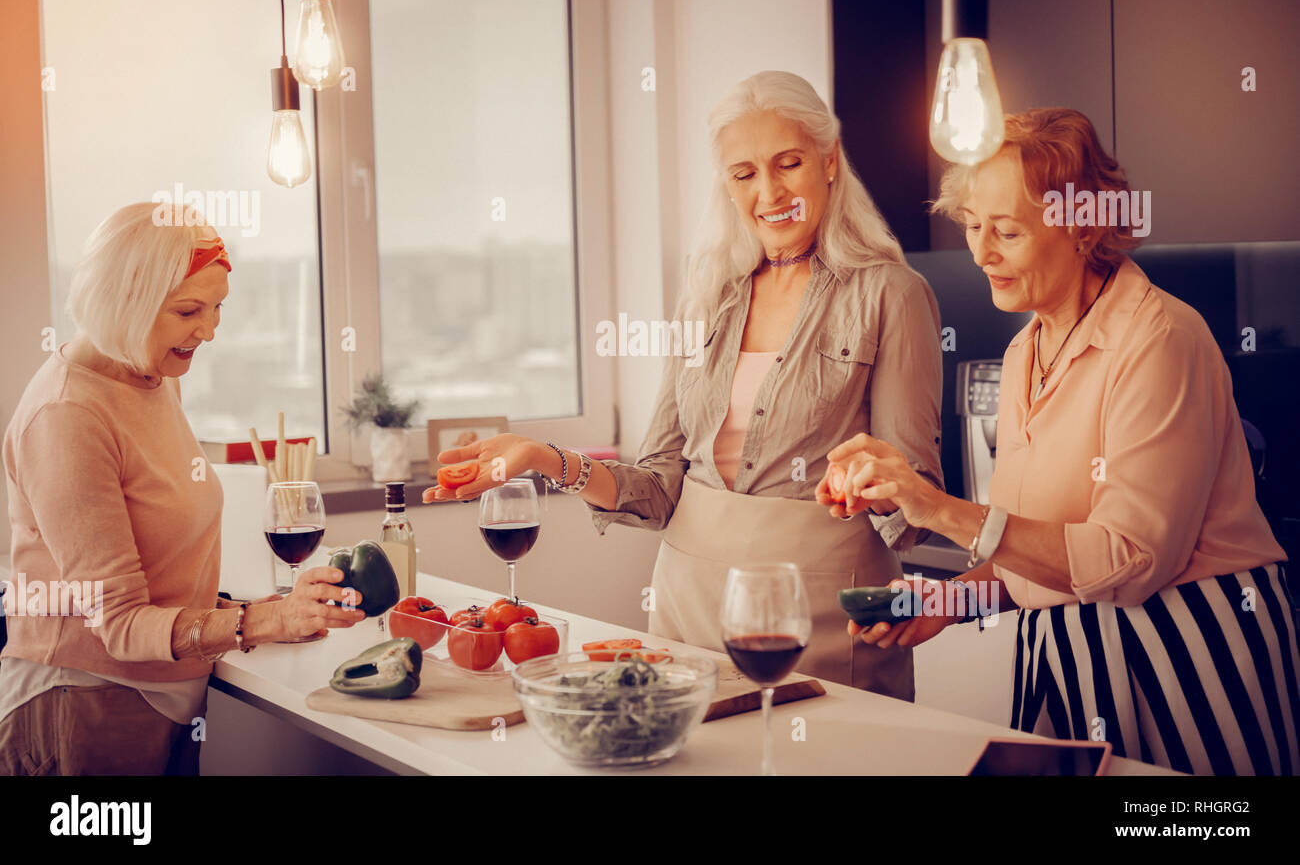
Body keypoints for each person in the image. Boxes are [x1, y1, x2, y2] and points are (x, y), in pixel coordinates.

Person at [431, 71, 944, 697]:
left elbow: (916, 510)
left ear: (829, 161)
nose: (770, 191)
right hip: (687, 606)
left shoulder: (893, 295)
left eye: (788, 163)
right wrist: (542, 457)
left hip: (823, 613)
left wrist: (878, 487)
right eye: (744, 173)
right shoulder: (708, 297)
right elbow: (657, 488)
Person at [826, 108, 1300, 774]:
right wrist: (953, 599)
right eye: (971, 224)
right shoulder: (1027, 346)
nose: (981, 251)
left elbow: (1128, 558)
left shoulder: (1159, 339)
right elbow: (1047, 541)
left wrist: (936, 507)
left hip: (1187, 659)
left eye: (1007, 231)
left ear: (1082, 226)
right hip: (1070, 662)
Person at [0, 202, 365, 776]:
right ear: (125, 303)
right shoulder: (67, 414)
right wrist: (262, 624)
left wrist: (258, 610)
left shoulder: (149, 376)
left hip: (162, 696)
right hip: (86, 701)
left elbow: (162, 573)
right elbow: (118, 622)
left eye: (218, 307)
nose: (210, 329)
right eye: (189, 310)